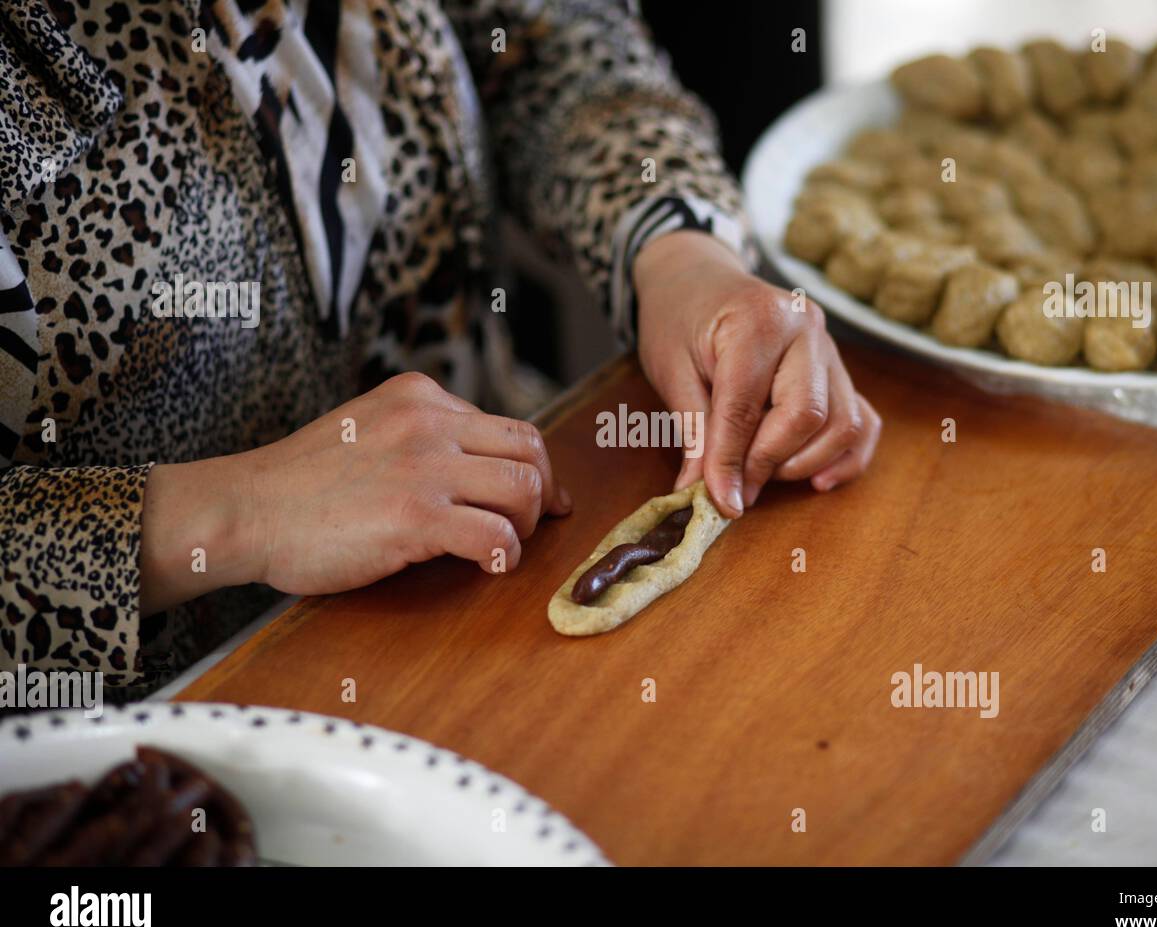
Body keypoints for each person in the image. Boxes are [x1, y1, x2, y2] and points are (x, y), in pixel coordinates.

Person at [0, 0, 880, 699]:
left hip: (495, 589)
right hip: (152, 741)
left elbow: (548, 39)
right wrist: (240, 515)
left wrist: (677, 249)